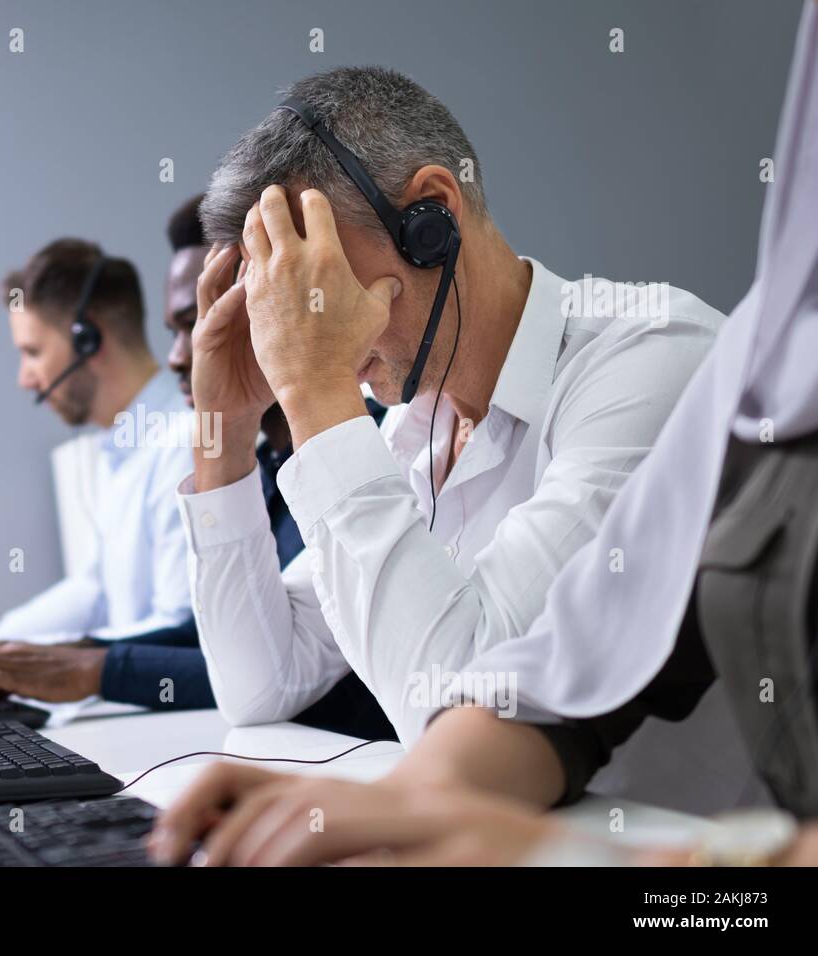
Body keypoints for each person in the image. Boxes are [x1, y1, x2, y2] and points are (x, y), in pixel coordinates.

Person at [147, 6, 818, 866]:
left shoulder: (652, 357)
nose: (302, 336)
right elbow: (259, 683)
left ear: (432, 218)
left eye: (321, 286)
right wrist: (226, 432)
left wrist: (314, 398)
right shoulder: (413, 427)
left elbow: (463, 695)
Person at [0, 196, 395, 742]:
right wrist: (25, 653)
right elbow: (234, 655)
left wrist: (82, 668)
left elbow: (265, 669)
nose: (179, 355)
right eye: (179, 328)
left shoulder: (379, 446)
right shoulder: (270, 465)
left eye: (199, 325)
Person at [0, 239, 194, 695]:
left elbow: (179, 628)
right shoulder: (123, 448)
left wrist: (29, 662)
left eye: (33, 352)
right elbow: (95, 591)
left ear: (90, 339)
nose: (26, 378)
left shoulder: (185, 441)